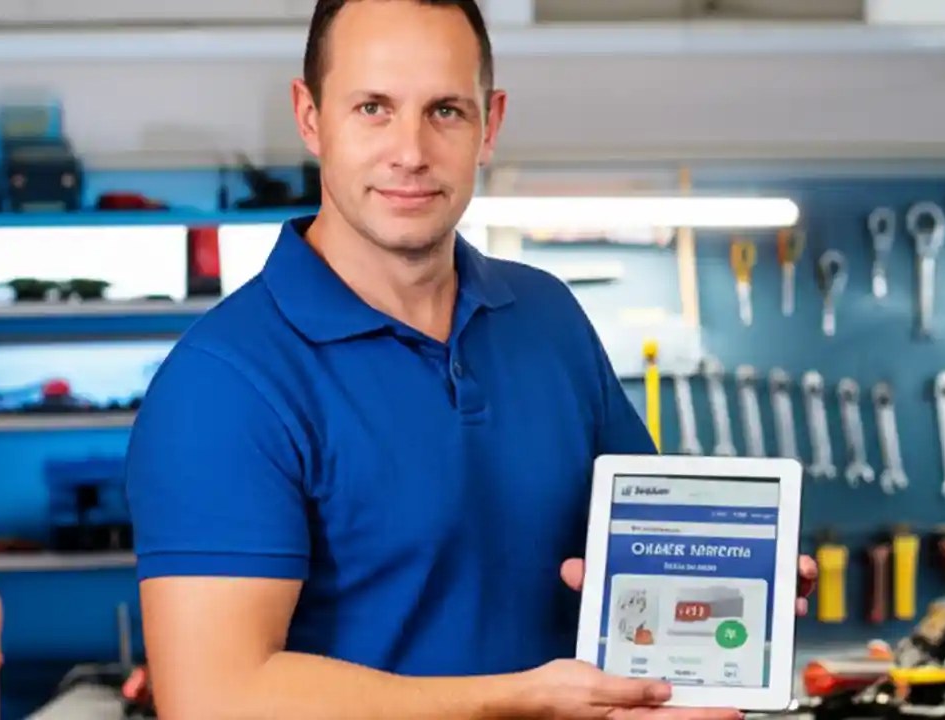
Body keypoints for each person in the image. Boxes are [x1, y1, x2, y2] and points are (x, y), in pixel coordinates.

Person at [124, 1, 816, 717]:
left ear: (492, 123)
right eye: (372, 108)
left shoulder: (548, 319)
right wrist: (517, 702)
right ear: (309, 116)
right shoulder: (223, 384)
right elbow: (214, 698)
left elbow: (637, 557)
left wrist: (731, 579)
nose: (411, 151)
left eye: (446, 111)